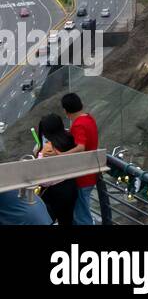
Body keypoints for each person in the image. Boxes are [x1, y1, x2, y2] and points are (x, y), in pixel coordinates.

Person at [62, 93, 103, 225]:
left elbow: (80, 147)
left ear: (66, 111)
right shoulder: (89, 119)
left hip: (83, 176)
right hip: (91, 171)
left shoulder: (78, 125)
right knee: (83, 208)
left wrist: (61, 155)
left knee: (81, 214)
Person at [35, 114, 79, 226]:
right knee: (67, 221)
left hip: (54, 193)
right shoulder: (69, 140)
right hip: (71, 187)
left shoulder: (48, 149)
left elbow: (44, 180)